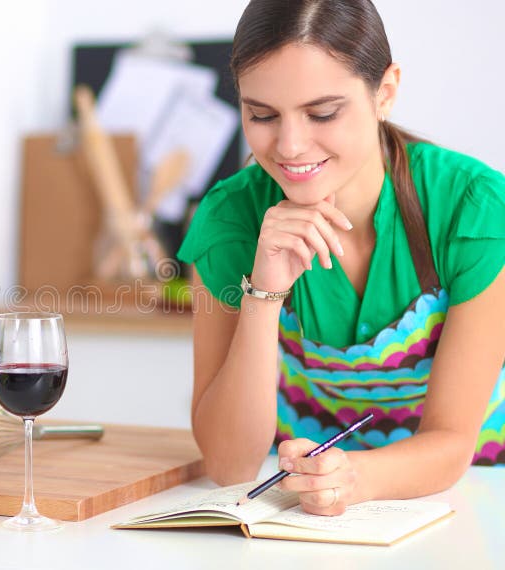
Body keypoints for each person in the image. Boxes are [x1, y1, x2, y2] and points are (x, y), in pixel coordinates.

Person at [177, 0, 505, 516]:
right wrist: (264, 294)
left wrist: (350, 478)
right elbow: (228, 464)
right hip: (302, 509)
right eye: (261, 114)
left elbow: (450, 441)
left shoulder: (472, 208)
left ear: (385, 92)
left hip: (472, 496)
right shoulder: (229, 222)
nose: (289, 145)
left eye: (322, 113)